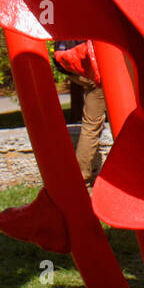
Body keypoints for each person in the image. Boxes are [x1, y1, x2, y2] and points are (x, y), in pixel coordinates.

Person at [53, 39, 106, 185]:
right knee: (92, 125)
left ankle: (83, 172)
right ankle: (81, 174)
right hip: (96, 71)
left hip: (76, 71)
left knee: (92, 122)